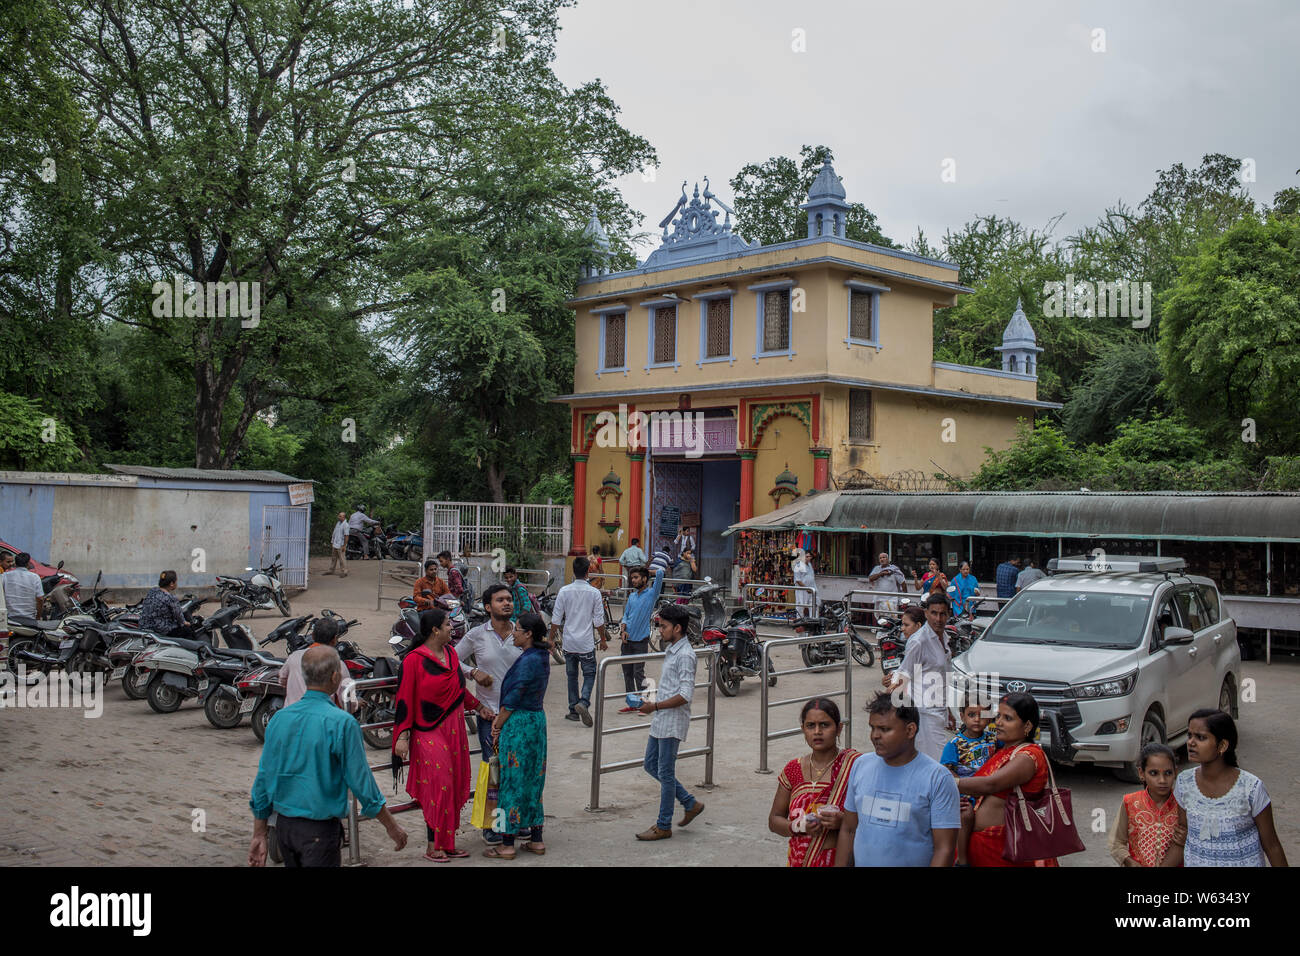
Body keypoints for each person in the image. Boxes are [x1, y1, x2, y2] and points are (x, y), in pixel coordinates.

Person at [249, 645, 408, 866]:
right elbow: (361, 782)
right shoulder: (342, 723)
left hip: (284, 828)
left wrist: (259, 832)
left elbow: (264, 779)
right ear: (335, 677)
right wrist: (391, 825)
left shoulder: (279, 719)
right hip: (320, 830)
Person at [392, 607, 495, 862]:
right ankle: (432, 845)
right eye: (448, 624)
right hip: (427, 730)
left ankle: (447, 843)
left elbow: (458, 689)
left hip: (455, 726)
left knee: (455, 782)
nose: (452, 628)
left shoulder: (449, 653)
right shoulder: (414, 660)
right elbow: (405, 700)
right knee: (440, 784)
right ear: (435, 630)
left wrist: (479, 706)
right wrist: (402, 737)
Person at [835, 692, 959, 867]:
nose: (875, 736)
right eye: (872, 728)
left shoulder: (938, 778)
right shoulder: (860, 765)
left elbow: (944, 849)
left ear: (910, 730)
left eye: (884, 729)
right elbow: (848, 830)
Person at [1162, 709, 1289, 867]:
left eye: (1200, 737)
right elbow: (1182, 837)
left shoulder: (1251, 788)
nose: (1190, 742)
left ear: (1222, 745)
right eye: (1190, 735)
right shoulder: (1184, 782)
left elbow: (1272, 846)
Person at [956, 692, 1059, 867]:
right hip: (988, 850)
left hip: (1005, 851)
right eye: (998, 716)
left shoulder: (1028, 756)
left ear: (1027, 726)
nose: (999, 723)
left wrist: (950, 782)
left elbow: (991, 784)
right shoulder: (1004, 750)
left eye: (1008, 718)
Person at [455, 583, 523, 845]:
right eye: (500, 600)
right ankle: (494, 825)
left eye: (509, 599)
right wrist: (472, 672)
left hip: (518, 715)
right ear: (487, 607)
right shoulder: (476, 635)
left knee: (517, 770)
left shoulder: (522, 632)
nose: (506, 603)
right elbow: (451, 659)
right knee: (493, 772)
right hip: (489, 717)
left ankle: (518, 821)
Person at [485, 612, 552, 860]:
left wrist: (497, 726)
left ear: (529, 634)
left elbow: (512, 700)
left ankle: (507, 842)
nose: (513, 632)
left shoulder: (527, 661)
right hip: (537, 722)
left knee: (510, 782)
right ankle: (536, 838)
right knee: (535, 779)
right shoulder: (542, 656)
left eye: (518, 629)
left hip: (519, 723)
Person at [636, 604, 704, 840]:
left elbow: (685, 694)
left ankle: (664, 825)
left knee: (664, 771)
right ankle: (689, 802)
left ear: (677, 628)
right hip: (662, 717)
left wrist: (654, 706)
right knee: (650, 765)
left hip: (672, 719)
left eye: (664, 626)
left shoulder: (685, 655)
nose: (660, 630)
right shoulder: (673, 649)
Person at [769, 698, 862, 867]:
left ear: (839, 728)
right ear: (803, 729)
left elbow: (872, 820)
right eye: (811, 726)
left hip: (840, 859)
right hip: (800, 860)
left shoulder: (855, 766)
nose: (817, 731)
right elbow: (774, 820)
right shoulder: (793, 769)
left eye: (825, 725)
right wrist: (798, 826)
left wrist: (843, 821)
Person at [883, 596, 952, 761]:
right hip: (924, 712)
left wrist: (949, 710)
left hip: (939, 710)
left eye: (942, 614)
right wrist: (888, 700)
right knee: (938, 764)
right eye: (934, 613)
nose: (938, 618)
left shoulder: (945, 637)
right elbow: (904, 673)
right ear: (926, 613)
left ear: (948, 614)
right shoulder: (919, 641)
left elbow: (942, 676)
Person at [548, 556, 608, 725]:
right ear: (589, 571)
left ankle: (573, 710)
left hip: (569, 642)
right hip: (586, 643)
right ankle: (584, 702)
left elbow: (556, 619)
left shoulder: (564, 591)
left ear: (573, 571)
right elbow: (598, 621)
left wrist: (551, 639)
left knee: (572, 676)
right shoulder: (595, 593)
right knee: (589, 674)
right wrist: (603, 639)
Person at [1108, 743, 1182, 867]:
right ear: (1142, 773)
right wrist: (1129, 861)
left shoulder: (1182, 805)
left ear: (1175, 772)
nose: (1162, 780)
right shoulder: (1130, 802)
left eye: (1168, 773)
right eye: (1154, 773)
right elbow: (1116, 842)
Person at [618, 564, 666, 713]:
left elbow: (661, 573)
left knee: (638, 673)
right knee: (627, 673)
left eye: (636, 577)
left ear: (644, 579)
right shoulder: (632, 596)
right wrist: (623, 628)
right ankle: (632, 704)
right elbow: (626, 615)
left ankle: (646, 705)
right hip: (627, 640)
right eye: (632, 577)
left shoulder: (652, 594)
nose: (633, 580)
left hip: (641, 641)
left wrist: (647, 571)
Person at [279, 616, 354, 708]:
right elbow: (347, 700)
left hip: (292, 715)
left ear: (313, 636)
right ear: (334, 639)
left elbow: (282, 680)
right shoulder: (338, 665)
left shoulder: (294, 656)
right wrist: (356, 704)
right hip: (321, 717)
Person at [940, 704, 999, 778]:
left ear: (989, 719)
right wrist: (963, 785)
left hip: (990, 786)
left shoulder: (994, 739)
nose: (977, 719)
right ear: (962, 717)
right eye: (971, 715)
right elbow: (946, 770)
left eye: (982, 716)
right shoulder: (954, 744)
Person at [137, 570, 195, 638]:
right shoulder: (170, 598)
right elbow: (178, 616)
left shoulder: (152, 591)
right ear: (171, 584)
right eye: (176, 581)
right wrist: (185, 622)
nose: (177, 583)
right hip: (160, 630)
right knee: (188, 631)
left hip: (144, 626)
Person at [1, 552, 45, 621]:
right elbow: (40, 599)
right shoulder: (35, 577)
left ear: (15, 564)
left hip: (10, 618)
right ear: (28, 564)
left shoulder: (4, 576)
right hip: (29, 619)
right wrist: (38, 617)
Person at [791, 548, 816, 618]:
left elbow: (811, 577)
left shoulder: (810, 565)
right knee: (800, 607)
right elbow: (798, 580)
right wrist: (806, 588)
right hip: (802, 590)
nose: (807, 558)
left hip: (811, 589)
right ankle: (799, 624)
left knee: (812, 606)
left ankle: (813, 622)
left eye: (809, 557)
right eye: (806, 556)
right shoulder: (798, 566)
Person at [325, 512, 349, 576]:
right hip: (335, 543)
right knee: (333, 558)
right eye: (339, 516)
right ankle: (331, 570)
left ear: (344, 517)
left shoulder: (346, 525)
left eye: (340, 516)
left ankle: (344, 572)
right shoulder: (338, 523)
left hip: (341, 545)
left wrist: (344, 546)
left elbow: (346, 536)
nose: (339, 517)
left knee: (342, 559)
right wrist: (332, 541)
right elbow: (334, 532)